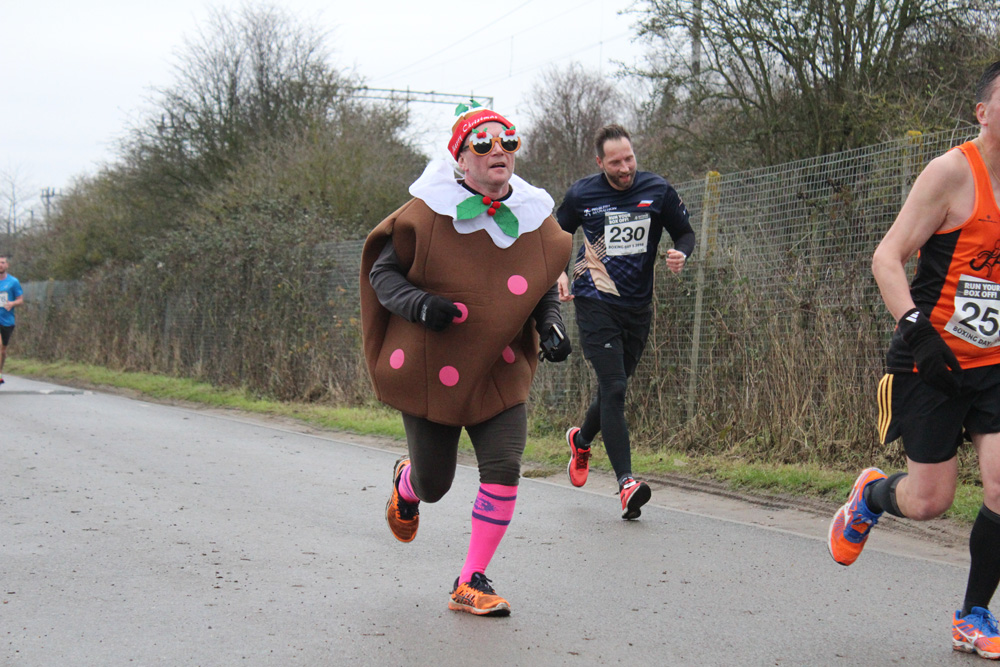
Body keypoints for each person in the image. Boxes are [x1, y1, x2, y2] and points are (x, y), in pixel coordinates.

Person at [359, 103, 573, 616]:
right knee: (435, 485)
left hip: (499, 365)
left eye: (508, 141)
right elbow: (383, 275)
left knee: (504, 466)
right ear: (461, 158)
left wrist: (550, 324)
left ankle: (470, 579)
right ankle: (408, 483)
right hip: (435, 366)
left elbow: (540, 283)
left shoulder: (533, 218)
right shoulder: (426, 212)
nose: (498, 150)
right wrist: (420, 305)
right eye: (483, 143)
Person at [828, 61, 1000, 660]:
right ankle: (870, 497)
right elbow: (887, 256)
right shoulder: (951, 173)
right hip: (930, 359)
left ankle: (973, 615)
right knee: (929, 502)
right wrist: (915, 328)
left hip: (994, 366)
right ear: (983, 112)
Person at [555, 124, 695, 519]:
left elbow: (685, 233)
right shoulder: (582, 194)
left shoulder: (658, 190)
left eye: (629, 158)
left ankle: (582, 440)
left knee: (613, 389)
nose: (625, 168)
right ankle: (626, 483)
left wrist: (681, 254)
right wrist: (559, 271)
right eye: (615, 162)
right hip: (595, 300)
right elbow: (556, 235)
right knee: (614, 388)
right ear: (600, 163)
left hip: (638, 307)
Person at [0, 255, 24, 387]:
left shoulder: (13, 282)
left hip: (7, 320)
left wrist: (12, 303)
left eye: (2, 262)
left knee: (2, 350)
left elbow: (20, 300)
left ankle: (0, 371)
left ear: (7, 265)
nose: (0, 265)